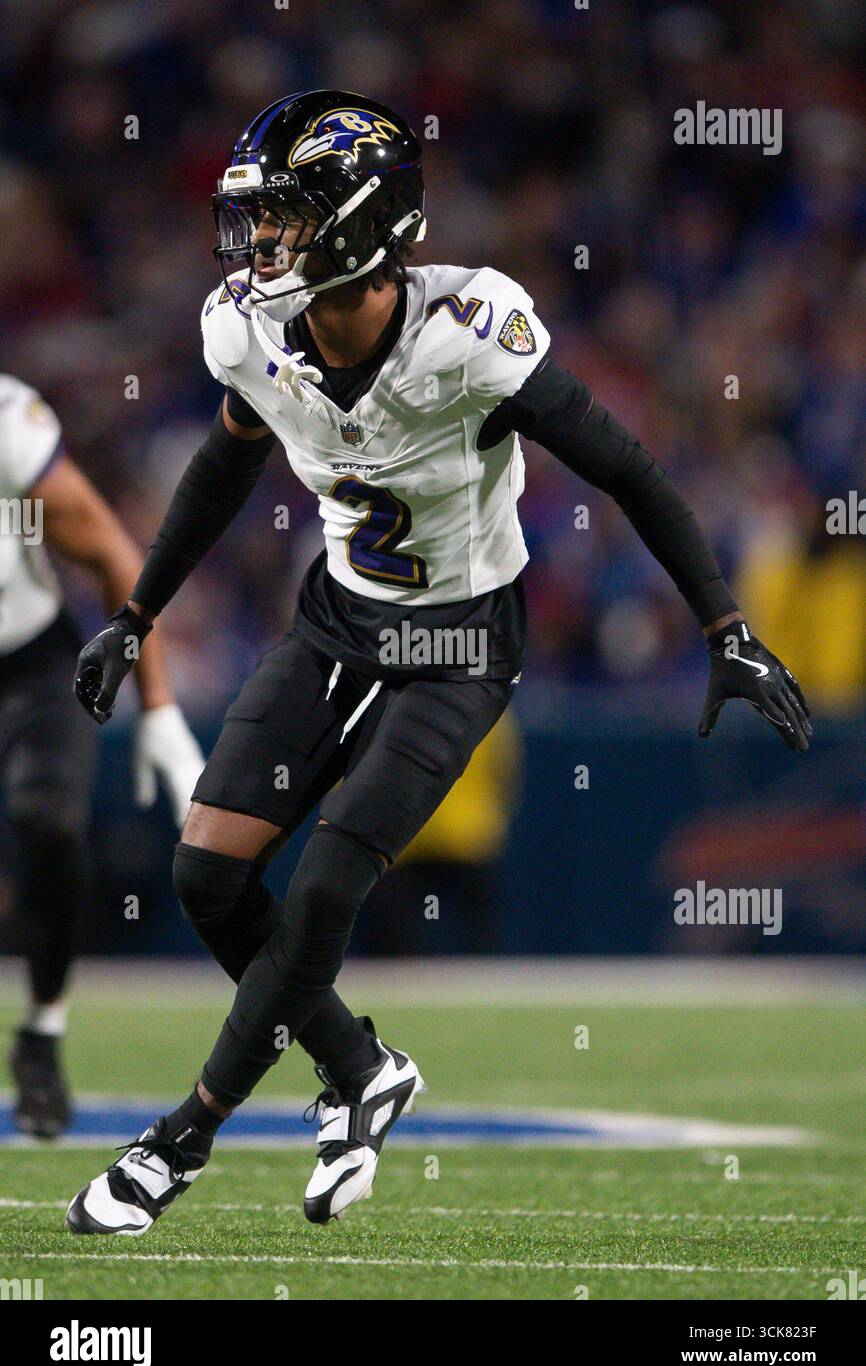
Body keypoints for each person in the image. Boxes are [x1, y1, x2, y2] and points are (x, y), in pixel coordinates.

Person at [65, 91, 810, 1232]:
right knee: (207, 876)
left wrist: (723, 627)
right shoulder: (254, 331)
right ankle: (362, 1069)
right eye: (259, 217)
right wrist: (137, 613)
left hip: (460, 640)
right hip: (333, 620)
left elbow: (625, 465)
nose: (261, 242)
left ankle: (182, 1137)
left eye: (289, 216)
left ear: (362, 226)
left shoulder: (464, 333)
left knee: (323, 882)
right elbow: (225, 462)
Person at [0, 374, 203, 1137]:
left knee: (48, 820)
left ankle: (43, 1031)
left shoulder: (6, 429)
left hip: (26, 661)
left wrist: (159, 708)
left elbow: (116, 556)